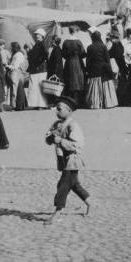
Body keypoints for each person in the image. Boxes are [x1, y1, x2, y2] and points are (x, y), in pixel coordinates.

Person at [44, 95, 90, 225]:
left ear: (69, 110)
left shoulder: (73, 126)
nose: (56, 111)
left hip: (73, 160)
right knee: (74, 185)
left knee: (63, 185)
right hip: (64, 160)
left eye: (59, 109)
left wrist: (61, 140)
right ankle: (90, 201)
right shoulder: (56, 124)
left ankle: (58, 212)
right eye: (56, 109)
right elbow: (48, 138)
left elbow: (77, 145)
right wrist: (50, 138)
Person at [84, 30, 117, 109]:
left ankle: (95, 104)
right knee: (105, 87)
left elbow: (88, 60)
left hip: (94, 70)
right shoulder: (103, 46)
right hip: (103, 69)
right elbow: (107, 59)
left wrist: (87, 70)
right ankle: (107, 103)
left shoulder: (90, 47)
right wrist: (110, 71)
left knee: (94, 88)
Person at [26, 28, 49, 109]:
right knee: (36, 87)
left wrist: (38, 61)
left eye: (38, 35)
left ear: (42, 36)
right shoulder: (38, 44)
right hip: (37, 69)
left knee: (38, 87)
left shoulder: (41, 44)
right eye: (36, 35)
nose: (37, 36)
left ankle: (41, 105)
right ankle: (37, 104)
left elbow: (45, 55)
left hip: (39, 69)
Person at [61, 26, 86, 104]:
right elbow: (83, 53)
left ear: (69, 31)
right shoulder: (78, 42)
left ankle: (69, 101)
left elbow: (63, 54)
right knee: (78, 81)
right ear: (75, 31)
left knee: (69, 80)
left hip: (68, 63)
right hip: (78, 63)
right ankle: (78, 101)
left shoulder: (65, 42)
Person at [7, 41, 28, 110]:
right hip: (20, 74)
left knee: (14, 90)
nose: (10, 49)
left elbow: (15, 66)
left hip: (16, 73)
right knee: (19, 90)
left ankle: (15, 105)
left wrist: (7, 66)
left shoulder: (17, 55)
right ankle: (20, 105)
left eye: (11, 47)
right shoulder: (20, 54)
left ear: (14, 48)